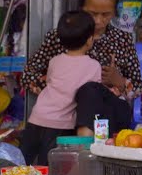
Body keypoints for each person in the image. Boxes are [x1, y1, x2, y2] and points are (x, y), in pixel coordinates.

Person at [24, 0, 142, 158]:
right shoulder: (61, 36)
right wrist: (60, 89)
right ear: (81, 8)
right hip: (64, 121)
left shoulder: (122, 40)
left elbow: (138, 87)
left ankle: (85, 145)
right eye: (92, 13)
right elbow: (28, 74)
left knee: (89, 90)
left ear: (115, 11)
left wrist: (118, 81)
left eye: (106, 14)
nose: (98, 21)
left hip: (107, 117)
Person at [22, 11, 120, 165]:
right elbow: (90, 94)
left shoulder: (54, 61)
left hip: (36, 119)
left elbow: (50, 81)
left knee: (23, 162)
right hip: (61, 126)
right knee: (49, 168)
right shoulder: (93, 66)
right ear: (89, 40)